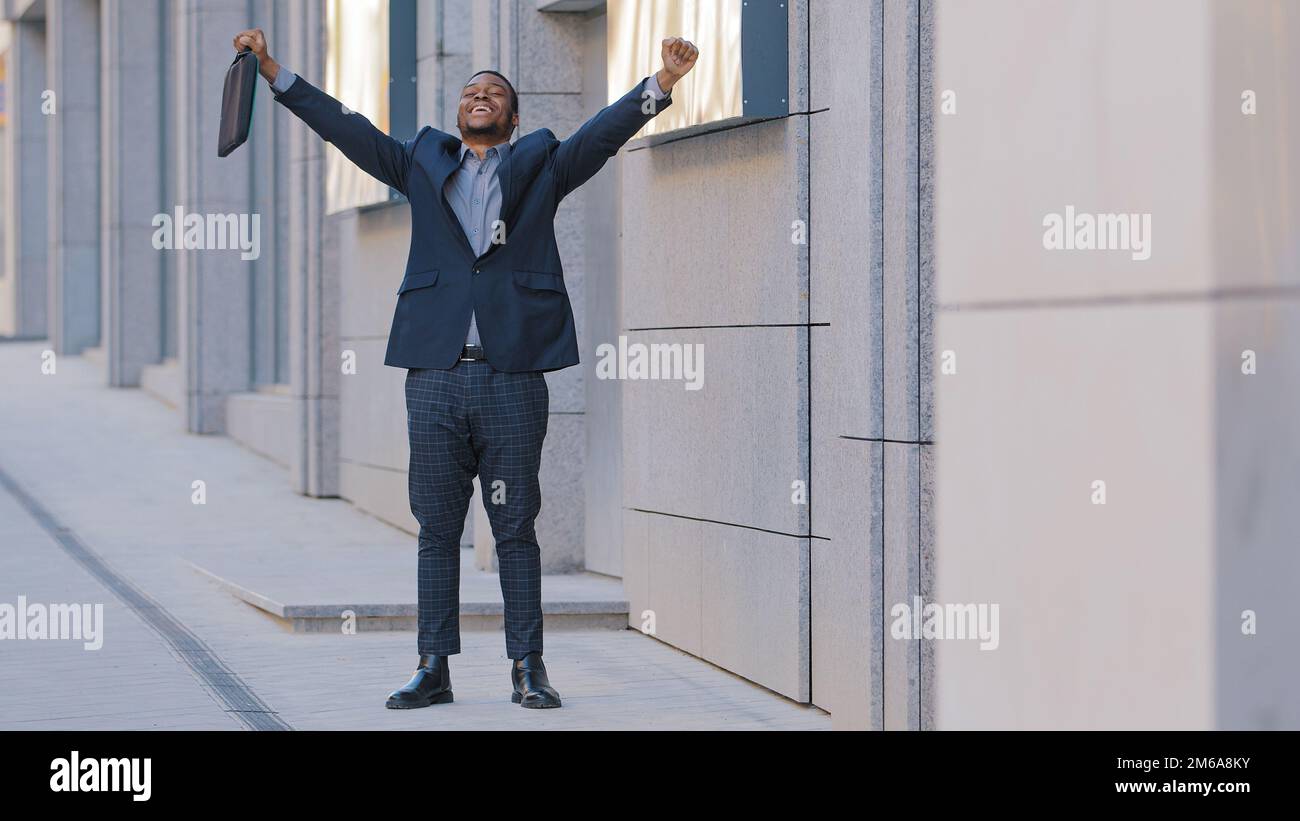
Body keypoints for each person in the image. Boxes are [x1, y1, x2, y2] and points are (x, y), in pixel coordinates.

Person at [231, 26, 698, 710]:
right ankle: (433, 666)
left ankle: (527, 667)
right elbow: (347, 128)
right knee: (437, 529)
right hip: (436, 375)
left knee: (515, 527)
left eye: (496, 93)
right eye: (471, 92)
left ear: (512, 116)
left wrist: (662, 84)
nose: (481, 97)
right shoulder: (421, 163)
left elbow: (601, 134)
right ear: (459, 113)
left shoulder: (541, 164)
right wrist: (273, 71)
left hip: (512, 375)